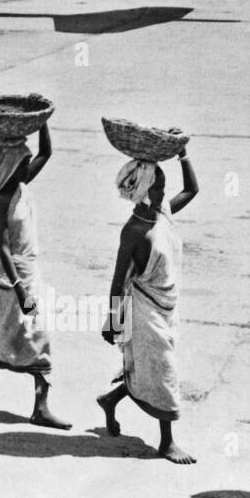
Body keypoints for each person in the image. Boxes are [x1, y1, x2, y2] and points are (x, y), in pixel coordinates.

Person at [0, 123, 70, 427]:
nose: (28, 166)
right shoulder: (0, 199)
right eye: (23, 162)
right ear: (10, 167)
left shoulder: (21, 185)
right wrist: (19, 290)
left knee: (38, 334)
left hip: (29, 274)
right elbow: (2, 248)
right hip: (8, 279)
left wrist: (43, 121)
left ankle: (40, 408)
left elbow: (46, 152)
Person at [97, 149, 199, 464]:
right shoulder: (134, 231)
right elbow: (117, 282)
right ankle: (167, 443)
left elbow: (192, 190)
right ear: (142, 190)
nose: (162, 192)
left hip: (166, 307)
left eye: (163, 186)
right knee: (164, 370)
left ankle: (111, 399)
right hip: (144, 311)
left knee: (148, 367)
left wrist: (183, 157)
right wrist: (113, 321)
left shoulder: (162, 213)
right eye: (157, 187)